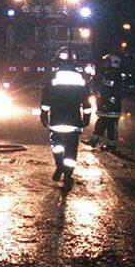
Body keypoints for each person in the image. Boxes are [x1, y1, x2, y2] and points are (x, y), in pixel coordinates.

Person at [40, 50, 92, 189]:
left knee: (57, 146)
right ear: (73, 62)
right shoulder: (81, 79)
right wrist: (87, 117)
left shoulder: (53, 77)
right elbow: (86, 102)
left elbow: (46, 99)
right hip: (74, 120)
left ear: (59, 61)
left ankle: (59, 165)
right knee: (71, 149)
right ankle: (68, 175)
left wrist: (44, 114)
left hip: (57, 119)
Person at [91, 54, 123, 150]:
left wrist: (109, 102)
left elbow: (116, 91)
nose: (105, 64)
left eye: (107, 62)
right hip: (105, 104)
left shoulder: (115, 75)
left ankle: (112, 145)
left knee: (111, 126)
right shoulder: (107, 73)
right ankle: (95, 139)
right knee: (101, 121)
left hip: (112, 106)